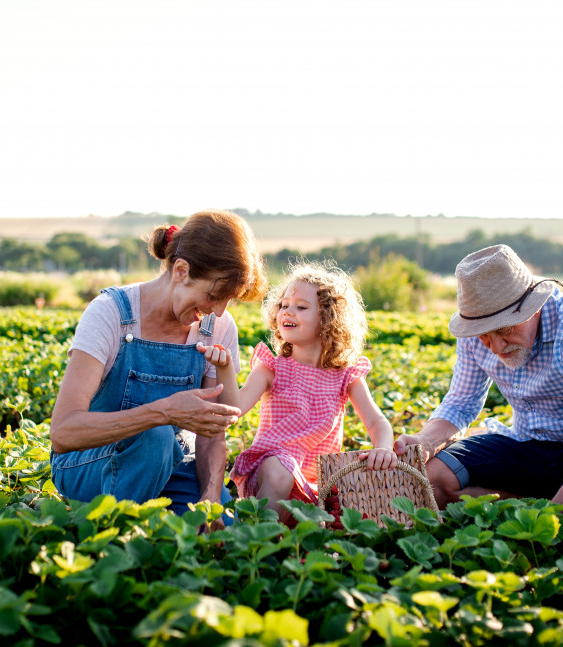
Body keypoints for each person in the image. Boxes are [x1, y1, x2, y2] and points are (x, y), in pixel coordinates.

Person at [394, 244, 563, 508]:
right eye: (484, 335)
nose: (497, 346)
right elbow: (460, 404)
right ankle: (546, 504)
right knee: (434, 480)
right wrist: (425, 441)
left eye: (504, 329)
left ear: (533, 306)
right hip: (531, 444)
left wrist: (552, 519)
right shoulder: (474, 330)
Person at [49, 209, 268, 527]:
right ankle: (110, 538)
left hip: (176, 465)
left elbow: (210, 432)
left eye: (228, 300)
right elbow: (64, 433)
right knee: (156, 440)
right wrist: (163, 412)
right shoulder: (110, 314)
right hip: (89, 462)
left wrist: (209, 494)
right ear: (181, 270)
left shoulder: (217, 327)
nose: (218, 311)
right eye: (213, 296)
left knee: (221, 534)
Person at [202, 262, 396, 522]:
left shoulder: (345, 376)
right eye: (283, 305)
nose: (287, 311)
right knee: (281, 469)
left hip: (315, 483)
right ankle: (256, 539)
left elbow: (375, 421)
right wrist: (224, 367)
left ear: (329, 319)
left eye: (301, 307)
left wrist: (383, 448)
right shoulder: (271, 368)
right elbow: (234, 409)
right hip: (271, 471)